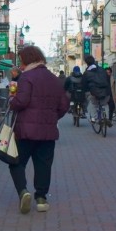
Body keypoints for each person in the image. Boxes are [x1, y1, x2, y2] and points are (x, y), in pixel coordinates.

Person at [8, 45, 71, 214]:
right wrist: (51, 118)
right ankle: (41, 198)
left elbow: (21, 102)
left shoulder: (26, 77)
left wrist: (12, 99)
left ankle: (23, 191)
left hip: (26, 131)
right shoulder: (53, 79)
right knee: (43, 164)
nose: (20, 65)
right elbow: (64, 105)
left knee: (16, 162)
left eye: (21, 61)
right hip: (48, 132)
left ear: (27, 60)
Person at [80, 54, 112, 124]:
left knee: (93, 103)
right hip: (105, 91)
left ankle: (94, 118)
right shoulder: (102, 70)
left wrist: (85, 93)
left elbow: (84, 85)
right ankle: (107, 118)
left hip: (94, 92)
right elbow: (107, 80)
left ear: (86, 63)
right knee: (105, 104)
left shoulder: (86, 73)